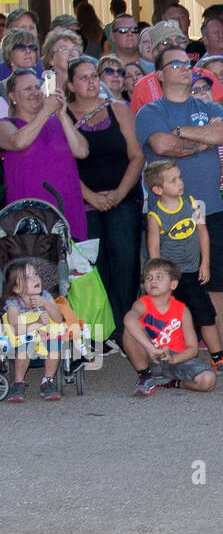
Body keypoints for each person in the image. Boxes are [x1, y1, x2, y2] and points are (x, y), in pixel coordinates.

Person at [135, 45, 223, 367]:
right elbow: (162, 145)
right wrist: (201, 142)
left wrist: (182, 135)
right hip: (166, 215)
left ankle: (221, 350)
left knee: (218, 279)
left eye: (187, 62)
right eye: (175, 63)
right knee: (166, 282)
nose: (184, 67)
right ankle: (171, 352)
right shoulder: (150, 112)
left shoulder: (206, 106)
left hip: (208, 208)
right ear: (159, 74)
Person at [143, 159, 223, 376]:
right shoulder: (155, 216)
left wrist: (205, 263)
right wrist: (160, 279)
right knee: (169, 319)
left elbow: (202, 233)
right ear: (157, 189)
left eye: (179, 177)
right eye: (173, 180)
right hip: (171, 279)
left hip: (193, 273)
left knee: (206, 315)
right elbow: (154, 250)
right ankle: (163, 359)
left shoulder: (193, 203)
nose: (180, 183)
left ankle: (218, 359)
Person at [68, 56, 144, 342]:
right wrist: (91, 197)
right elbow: (64, 165)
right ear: (71, 84)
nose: (91, 82)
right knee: (94, 268)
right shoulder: (61, 116)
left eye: (93, 76)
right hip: (83, 201)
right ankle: (98, 331)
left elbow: (137, 155)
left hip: (123, 199)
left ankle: (126, 329)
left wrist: (117, 195)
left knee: (126, 263)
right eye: (83, 77)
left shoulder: (119, 110)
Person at [0, 68, 90, 240]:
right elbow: (18, 143)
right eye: (27, 89)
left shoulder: (57, 121)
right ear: (12, 96)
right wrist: (45, 112)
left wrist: (62, 116)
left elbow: (82, 151)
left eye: (37, 87)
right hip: (30, 214)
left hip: (68, 205)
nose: (35, 93)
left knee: (73, 262)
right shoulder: (6, 124)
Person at [123, 258, 217, 395]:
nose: (153, 281)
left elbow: (192, 349)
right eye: (149, 278)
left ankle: (176, 383)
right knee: (129, 330)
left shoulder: (182, 310)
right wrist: (152, 349)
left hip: (175, 358)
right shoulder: (141, 304)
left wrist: (174, 359)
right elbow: (129, 319)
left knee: (208, 380)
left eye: (159, 277)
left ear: (173, 284)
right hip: (149, 356)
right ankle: (145, 376)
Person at [1, 258, 66, 402]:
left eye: (35, 274)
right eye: (27, 277)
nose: (35, 278)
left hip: (46, 339)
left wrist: (45, 304)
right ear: (17, 288)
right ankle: (18, 382)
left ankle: (47, 380)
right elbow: (15, 328)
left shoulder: (46, 296)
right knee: (26, 347)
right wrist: (36, 323)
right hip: (25, 339)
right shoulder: (14, 304)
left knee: (55, 345)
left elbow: (58, 317)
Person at [42, 27, 84, 93]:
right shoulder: (44, 91)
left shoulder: (90, 86)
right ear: (51, 59)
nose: (72, 54)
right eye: (64, 49)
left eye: (75, 49)